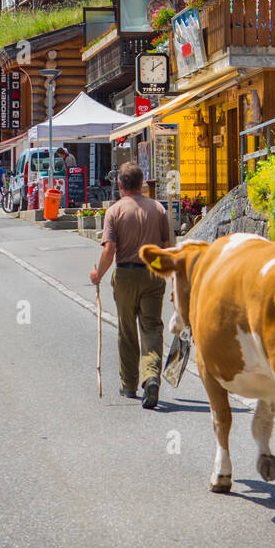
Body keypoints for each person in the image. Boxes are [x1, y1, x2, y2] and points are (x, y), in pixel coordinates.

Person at [90, 161, 172, 409]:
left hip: (125, 275)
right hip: (154, 274)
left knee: (127, 330)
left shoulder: (114, 211)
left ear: (119, 184)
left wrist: (98, 274)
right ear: (142, 183)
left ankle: (128, 384)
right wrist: (175, 284)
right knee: (152, 327)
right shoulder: (158, 209)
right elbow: (168, 249)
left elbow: (110, 249)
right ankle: (151, 376)